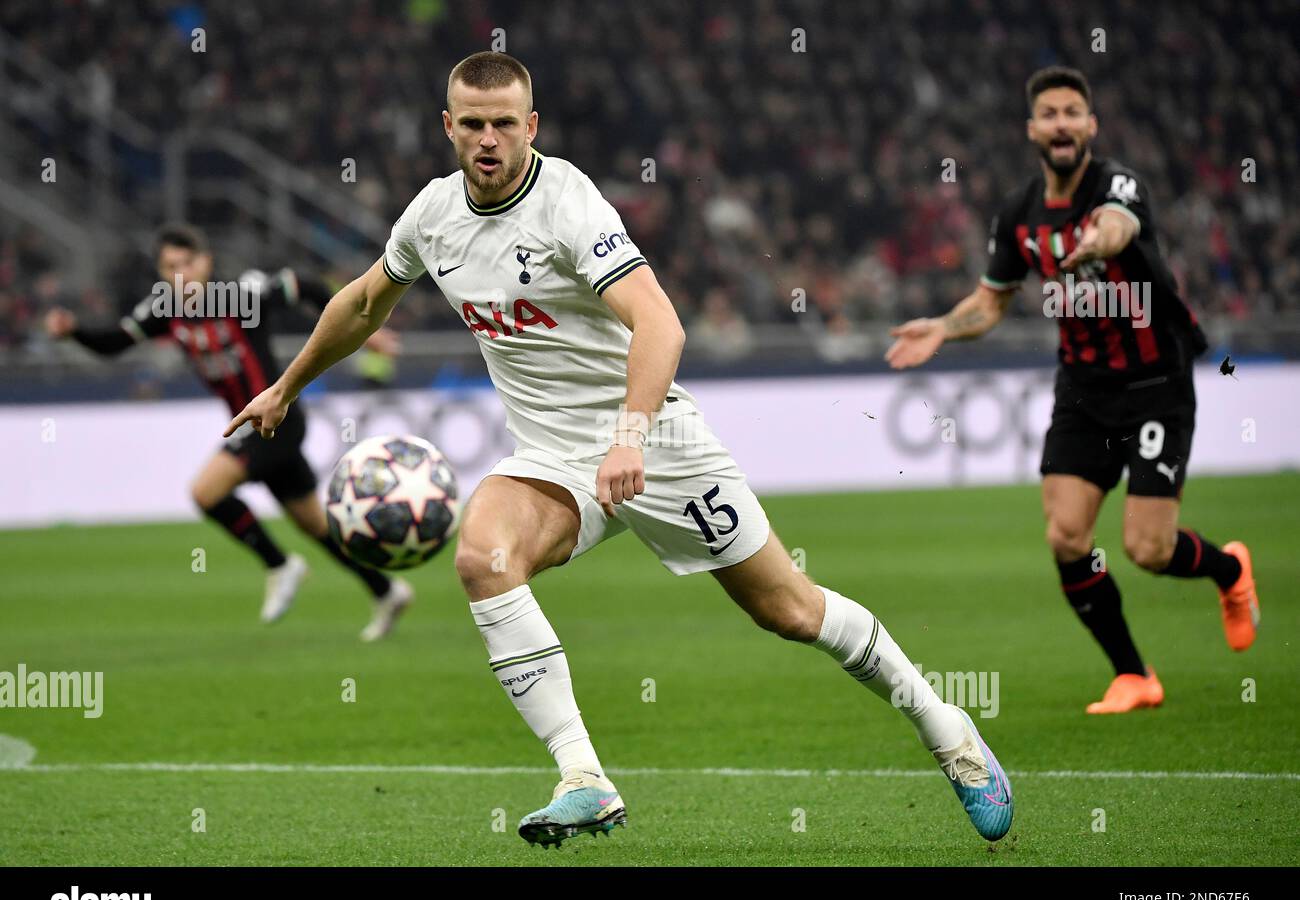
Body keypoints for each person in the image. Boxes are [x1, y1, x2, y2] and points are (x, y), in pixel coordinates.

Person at [225, 52, 1013, 846]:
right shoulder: (432, 216)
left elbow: (660, 322)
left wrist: (630, 436)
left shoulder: (569, 205)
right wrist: (286, 387)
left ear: (531, 126)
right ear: (448, 128)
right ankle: (583, 777)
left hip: (657, 439)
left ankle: (946, 730)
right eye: (473, 124)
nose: (489, 139)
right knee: (483, 557)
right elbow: (364, 303)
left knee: (789, 610)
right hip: (551, 458)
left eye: (505, 124)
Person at [886, 66, 1259, 713]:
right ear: (1032, 129)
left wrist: (1095, 241)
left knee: (1148, 548)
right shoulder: (1019, 213)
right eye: (1049, 114)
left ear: (1091, 125)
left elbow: (1118, 225)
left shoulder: (1117, 185)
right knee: (1065, 536)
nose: (1062, 124)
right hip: (1083, 390)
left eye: (1072, 113)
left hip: (1154, 383)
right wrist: (943, 328)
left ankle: (1229, 570)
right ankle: (1134, 675)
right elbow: (991, 300)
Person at [47, 223, 414, 641]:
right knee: (316, 526)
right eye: (171, 266)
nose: (181, 273)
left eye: (188, 262)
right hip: (256, 428)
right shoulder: (164, 310)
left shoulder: (240, 296)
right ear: (161, 271)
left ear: (206, 262)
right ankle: (386, 590)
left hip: (277, 420)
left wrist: (366, 331)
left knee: (206, 492)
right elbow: (115, 341)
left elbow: (303, 285)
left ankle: (280, 565)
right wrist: (72, 331)